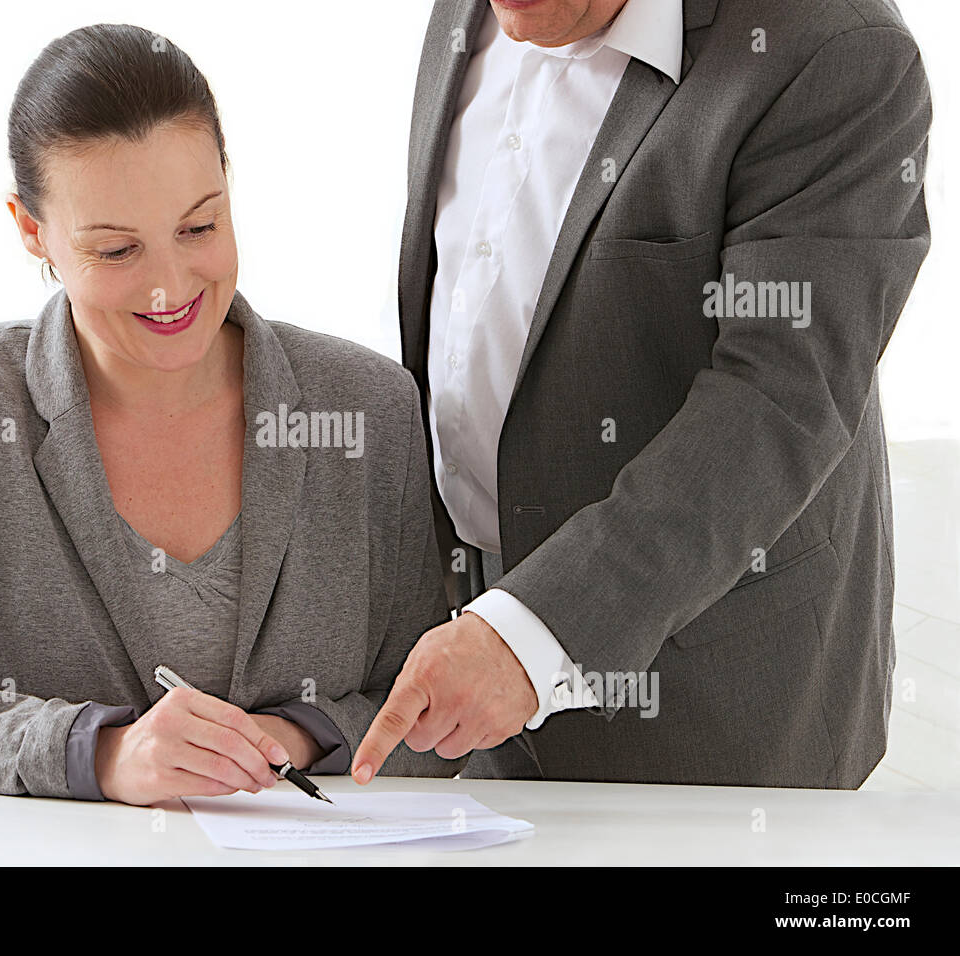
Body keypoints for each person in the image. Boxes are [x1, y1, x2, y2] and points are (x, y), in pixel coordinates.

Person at [0, 23, 465, 806]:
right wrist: (96, 753)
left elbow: (428, 707)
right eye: (116, 250)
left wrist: (294, 735)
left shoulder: (369, 405)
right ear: (32, 231)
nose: (169, 287)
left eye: (199, 227)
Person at [353, 0, 930, 789]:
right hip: (473, 655)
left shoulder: (835, 48)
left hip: (712, 696)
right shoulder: (476, 14)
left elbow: (779, 401)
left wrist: (534, 631)